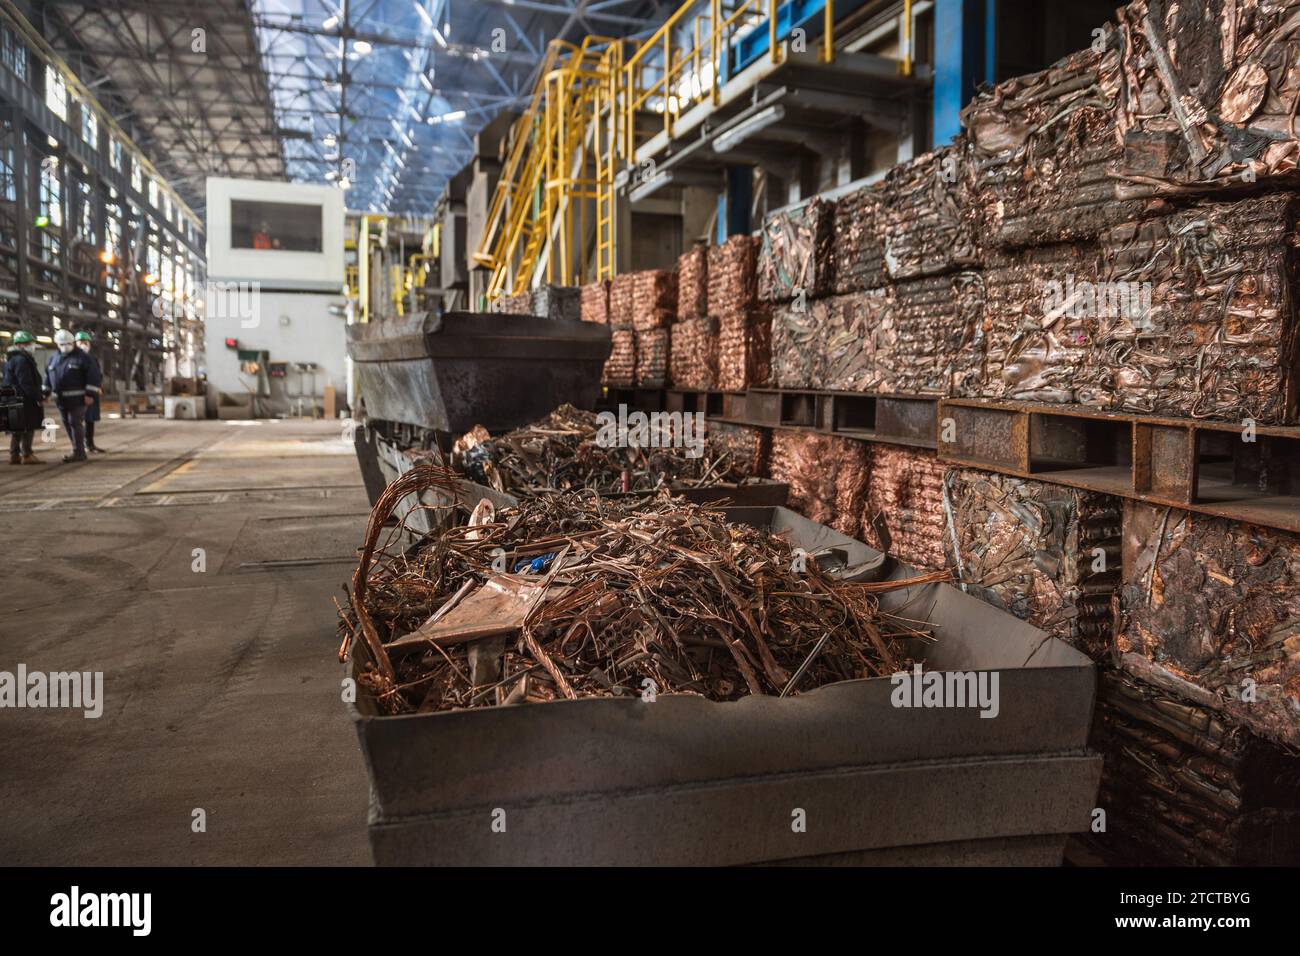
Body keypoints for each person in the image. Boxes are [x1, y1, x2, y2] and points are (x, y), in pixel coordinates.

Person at [45, 328, 100, 463]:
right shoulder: (53, 359)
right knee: (68, 424)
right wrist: (44, 393)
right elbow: (48, 377)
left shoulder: (83, 357)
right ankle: (76, 448)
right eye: (62, 344)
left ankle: (79, 452)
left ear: (73, 343)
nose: (65, 346)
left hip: (78, 399)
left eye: (68, 343)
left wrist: (90, 394)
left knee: (75, 423)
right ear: (57, 344)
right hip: (61, 400)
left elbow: (93, 376)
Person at [3, 330, 43, 464]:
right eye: (28, 343)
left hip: (12, 398)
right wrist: (38, 397)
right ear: (19, 345)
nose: (31, 346)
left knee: (17, 428)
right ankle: (27, 455)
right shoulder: (21, 360)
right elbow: (25, 382)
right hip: (23, 398)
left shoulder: (13, 358)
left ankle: (14, 455)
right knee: (27, 427)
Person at [75, 330, 105, 453]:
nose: (84, 344)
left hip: (91, 394)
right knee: (76, 421)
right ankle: (78, 446)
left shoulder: (92, 359)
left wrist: (98, 387)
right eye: (81, 342)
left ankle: (90, 444)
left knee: (90, 419)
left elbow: (97, 375)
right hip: (77, 394)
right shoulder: (72, 359)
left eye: (86, 342)